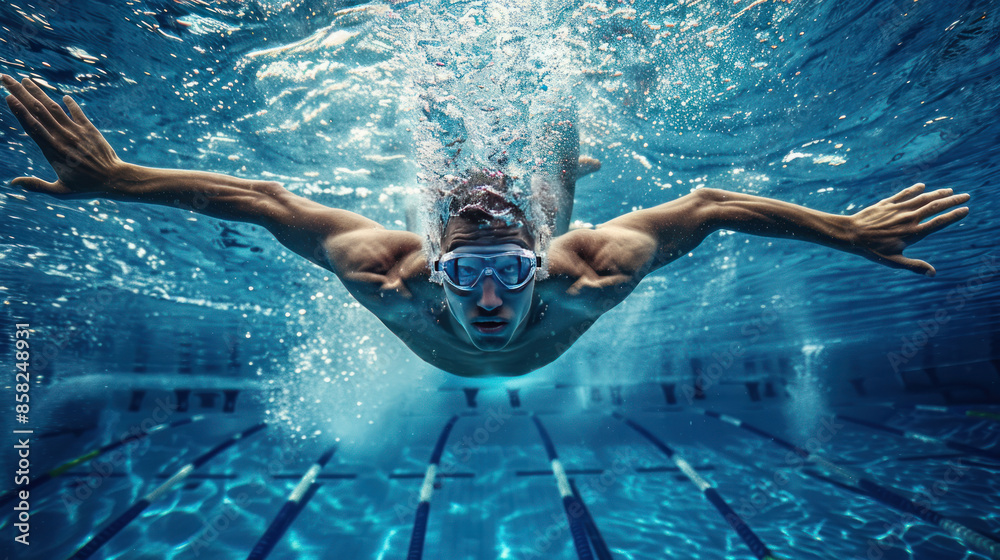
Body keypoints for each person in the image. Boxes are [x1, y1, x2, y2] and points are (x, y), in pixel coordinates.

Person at [2, 74, 972, 377]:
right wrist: (120, 180)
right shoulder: (388, 270)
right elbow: (268, 201)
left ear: (542, 265)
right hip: (498, 220)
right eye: (467, 274)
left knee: (545, 173)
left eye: (511, 268)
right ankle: (537, 170)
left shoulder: (582, 267)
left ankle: (556, 162)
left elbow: (712, 206)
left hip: (545, 217)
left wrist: (842, 229)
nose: (495, 294)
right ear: (434, 270)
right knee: (514, 184)